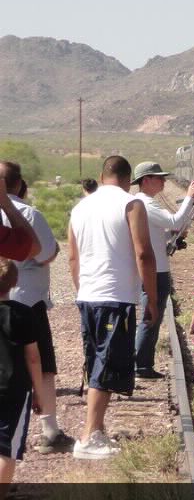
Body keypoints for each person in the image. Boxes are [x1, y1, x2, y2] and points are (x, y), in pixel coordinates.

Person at [67, 155, 158, 460]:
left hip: (88, 296)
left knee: (96, 361)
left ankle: (97, 430)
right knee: (105, 365)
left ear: (102, 175)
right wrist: (152, 299)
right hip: (115, 297)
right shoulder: (131, 204)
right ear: (128, 177)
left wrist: (83, 289)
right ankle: (89, 436)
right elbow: (143, 253)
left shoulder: (80, 207)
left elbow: (72, 257)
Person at [0, 162, 68, 453]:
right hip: (27, 301)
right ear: (18, 184)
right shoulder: (27, 213)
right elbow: (44, 252)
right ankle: (49, 430)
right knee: (42, 366)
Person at [131, 162, 194, 380]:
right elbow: (175, 220)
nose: (163, 181)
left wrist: (171, 238)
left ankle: (142, 362)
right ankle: (141, 365)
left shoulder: (144, 203)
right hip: (156, 271)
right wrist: (190, 196)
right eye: (159, 177)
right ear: (146, 181)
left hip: (156, 267)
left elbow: (156, 234)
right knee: (151, 316)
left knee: (151, 315)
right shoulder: (145, 203)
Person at [0, 258, 44, 489]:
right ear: (14, 282)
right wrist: (38, 391)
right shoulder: (23, 314)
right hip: (14, 389)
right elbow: (33, 357)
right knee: (6, 448)